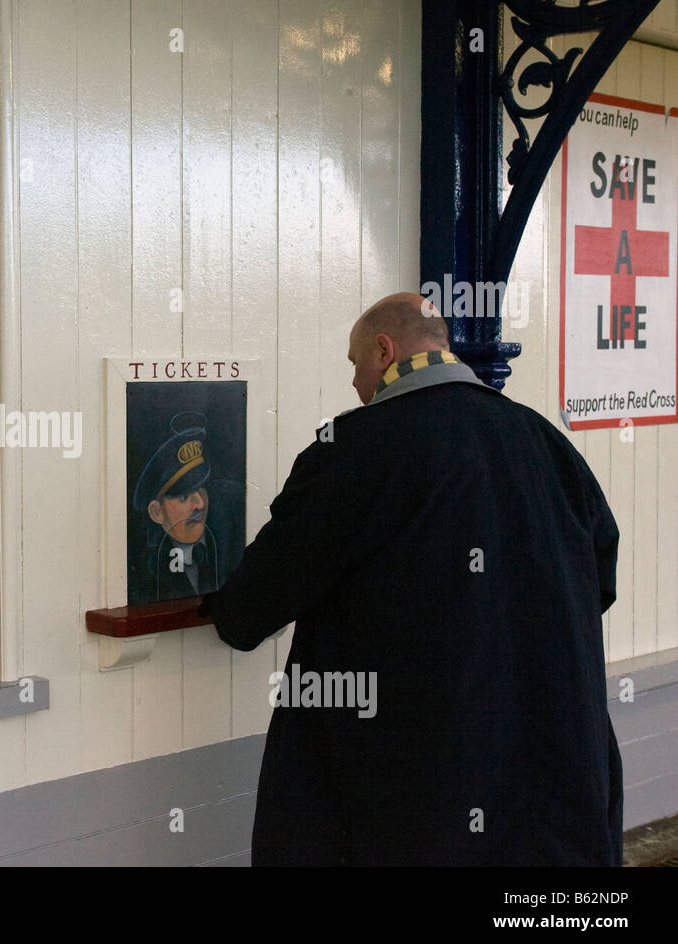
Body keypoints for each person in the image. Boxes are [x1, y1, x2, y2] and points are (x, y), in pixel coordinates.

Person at [199, 292, 623, 865]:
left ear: (384, 349)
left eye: (355, 365)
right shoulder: (546, 441)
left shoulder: (355, 447)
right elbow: (601, 576)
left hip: (414, 784)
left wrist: (216, 602)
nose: (354, 383)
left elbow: (253, 607)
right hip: (548, 775)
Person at [128, 415, 245, 605]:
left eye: (201, 489)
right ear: (157, 512)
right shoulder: (141, 564)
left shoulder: (234, 530)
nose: (200, 504)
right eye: (184, 497)